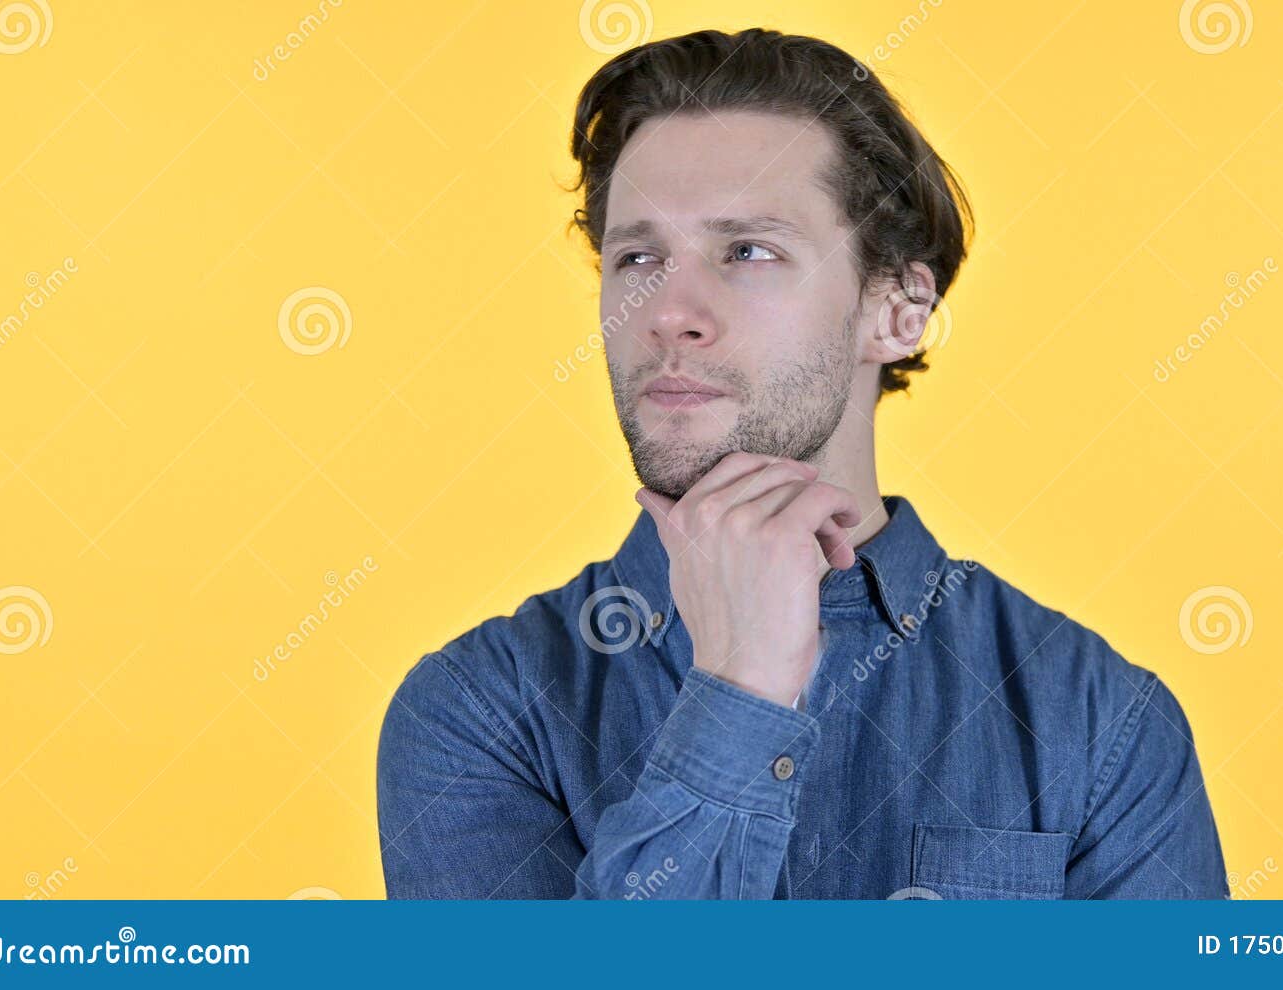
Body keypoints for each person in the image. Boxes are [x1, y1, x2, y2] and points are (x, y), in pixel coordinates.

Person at [376, 27, 1227, 899]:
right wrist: (740, 691)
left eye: (748, 251)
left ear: (897, 311)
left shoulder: (1096, 720)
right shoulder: (481, 711)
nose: (669, 313)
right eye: (639, 257)